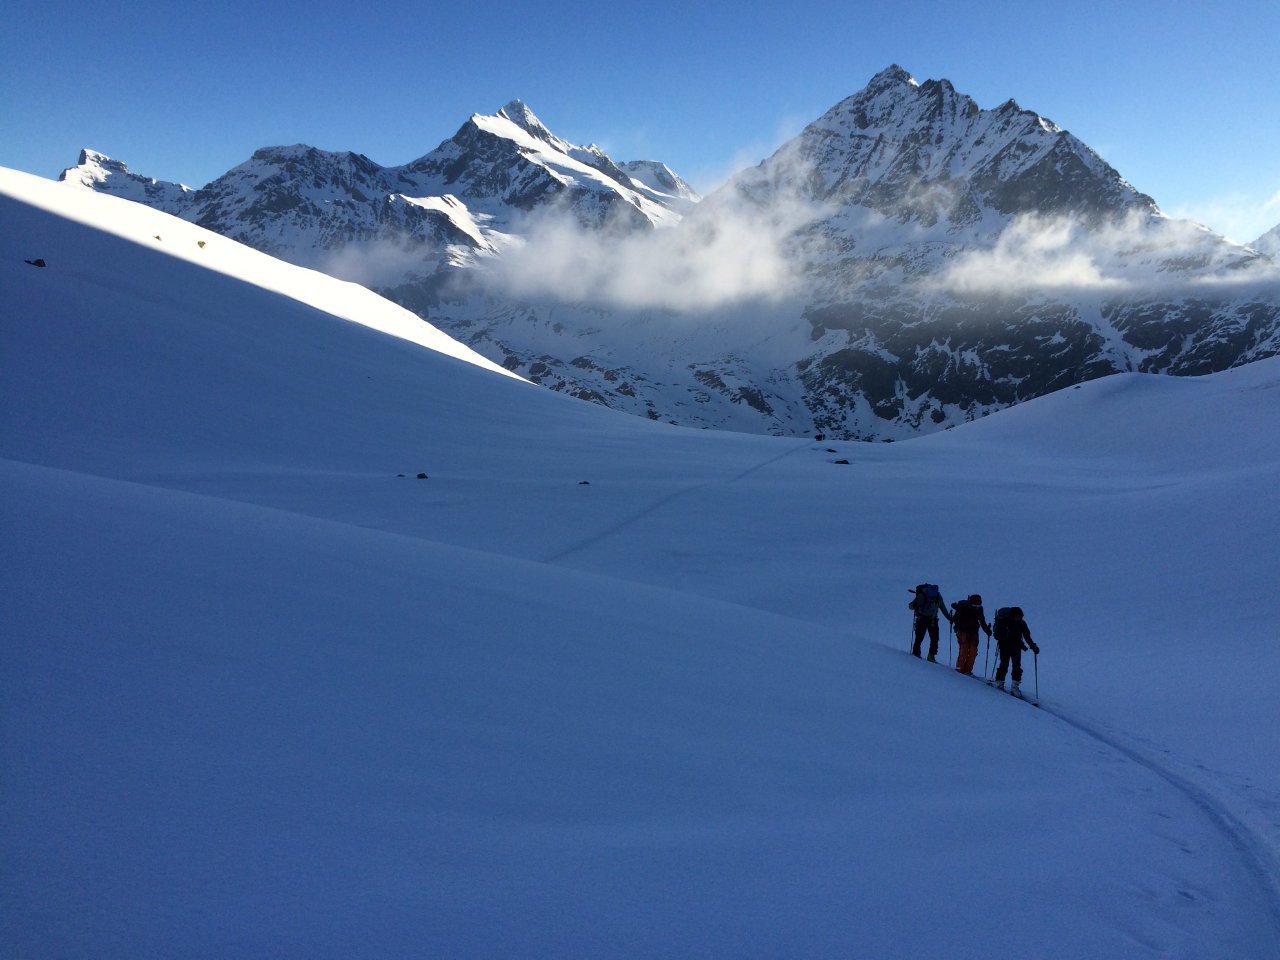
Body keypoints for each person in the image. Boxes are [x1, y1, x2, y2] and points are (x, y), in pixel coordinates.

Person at [993, 607, 1040, 697]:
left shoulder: (1022, 623)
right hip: (1004, 646)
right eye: (1017, 616)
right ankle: (1000, 683)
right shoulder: (1004, 622)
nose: (1019, 618)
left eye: (1020, 617)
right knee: (1004, 664)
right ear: (1012, 615)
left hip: (1016, 647)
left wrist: (1033, 646)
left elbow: (1027, 636)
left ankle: (1015, 687)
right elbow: (998, 635)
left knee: (1017, 666)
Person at [909, 583, 952, 662]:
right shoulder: (922, 596)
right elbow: (910, 606)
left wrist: (949, 618)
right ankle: (917, 653)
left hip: (932, 619)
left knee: (934, 638)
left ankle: (930, 655)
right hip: (923, 618)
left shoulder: (937, 596)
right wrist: (914, 605)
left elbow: (942, 607)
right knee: (920, 637)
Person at [950, 593, 991, 675]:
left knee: (973, 652)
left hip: (974, 632)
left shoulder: (979, 609)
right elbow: (956, 618)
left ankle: (968, 670)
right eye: (975, 605)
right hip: (963, 631)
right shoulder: (963, 607)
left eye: (978, 606)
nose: (977, 607)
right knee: (963, 651)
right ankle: (959, 668)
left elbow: (982, 620)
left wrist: (987, 630)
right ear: (971, 603)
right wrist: (956, 627)